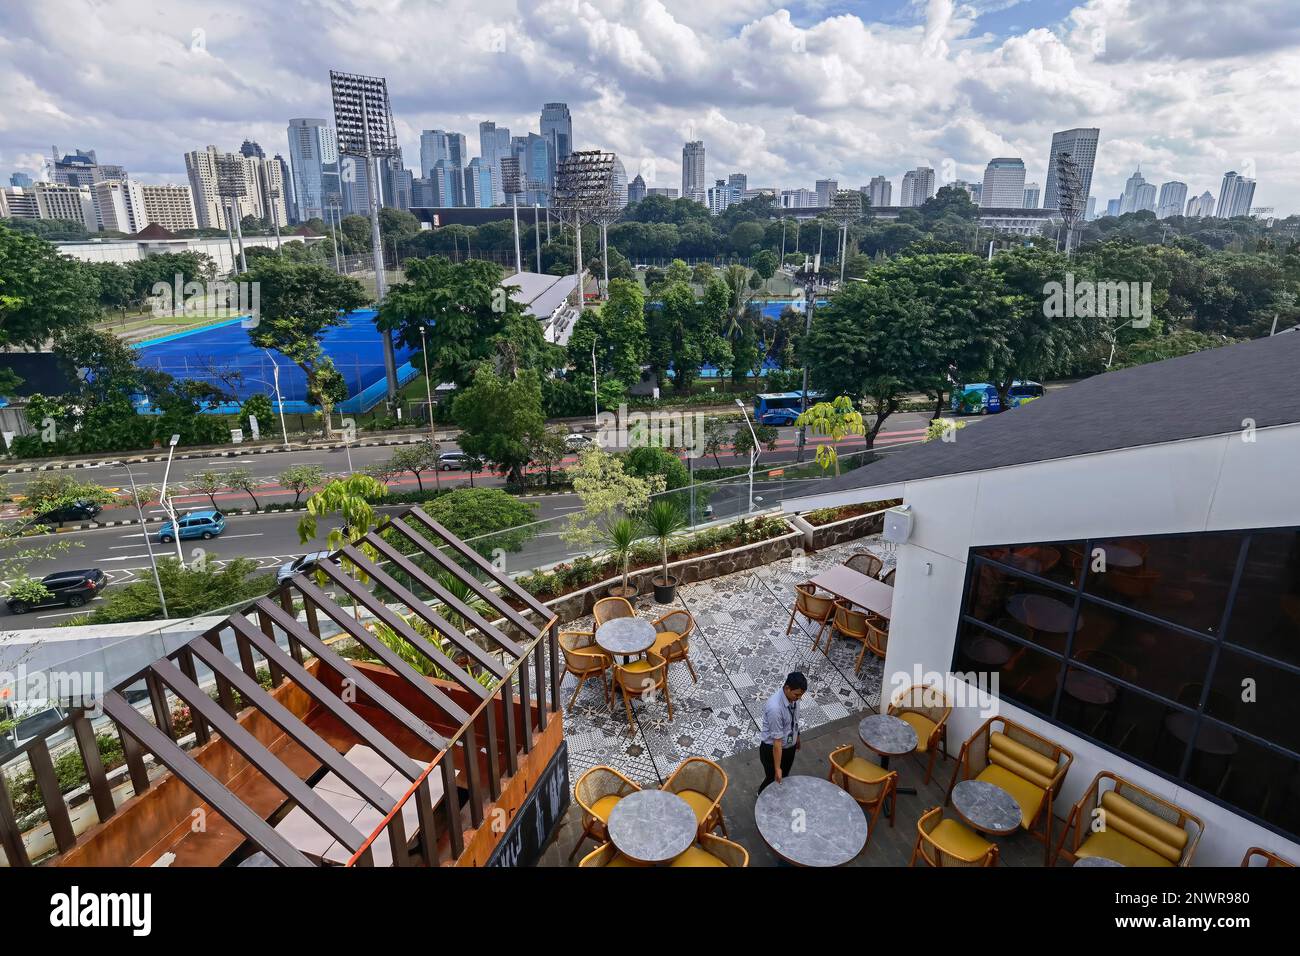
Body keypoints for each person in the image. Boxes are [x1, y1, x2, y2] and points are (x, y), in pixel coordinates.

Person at [758, 672, 807, 792]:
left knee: (784, 776)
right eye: (797, 695)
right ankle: (762, 794)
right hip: (772, 750)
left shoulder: (793, 698)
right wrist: (777, 767)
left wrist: (797, 737)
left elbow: (794, 720)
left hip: (789, 747)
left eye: (801, 695)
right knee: (772, 778)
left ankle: (778, 795)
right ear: (787, 688)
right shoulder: (775, 708)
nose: (799, 698)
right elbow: (777, 742)